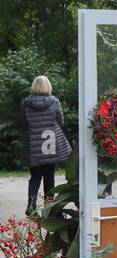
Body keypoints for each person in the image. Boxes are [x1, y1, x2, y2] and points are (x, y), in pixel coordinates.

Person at [19, 76, 72, 216]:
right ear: (48, 86)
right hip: (51, 145)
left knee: (35, 177)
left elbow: (23, 125)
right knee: (49, 177)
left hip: (34, 146)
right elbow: (60, 121)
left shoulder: (25, 103)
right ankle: (49, 207)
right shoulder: (54, 102)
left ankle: (31, 206)